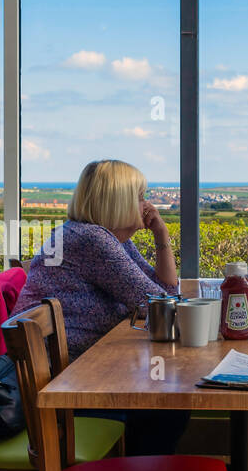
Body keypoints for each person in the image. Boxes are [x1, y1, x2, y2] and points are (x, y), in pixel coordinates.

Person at [10, 159, 188, 455]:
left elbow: (165, 292)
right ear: (118, 201)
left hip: (78, 370)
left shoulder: (107, 236)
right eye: (140, 196)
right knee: (169, 406)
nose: (147, 205)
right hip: (62, 384)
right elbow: (160, 306)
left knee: (168, 403)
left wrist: (162, 236)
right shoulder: (90, 240)